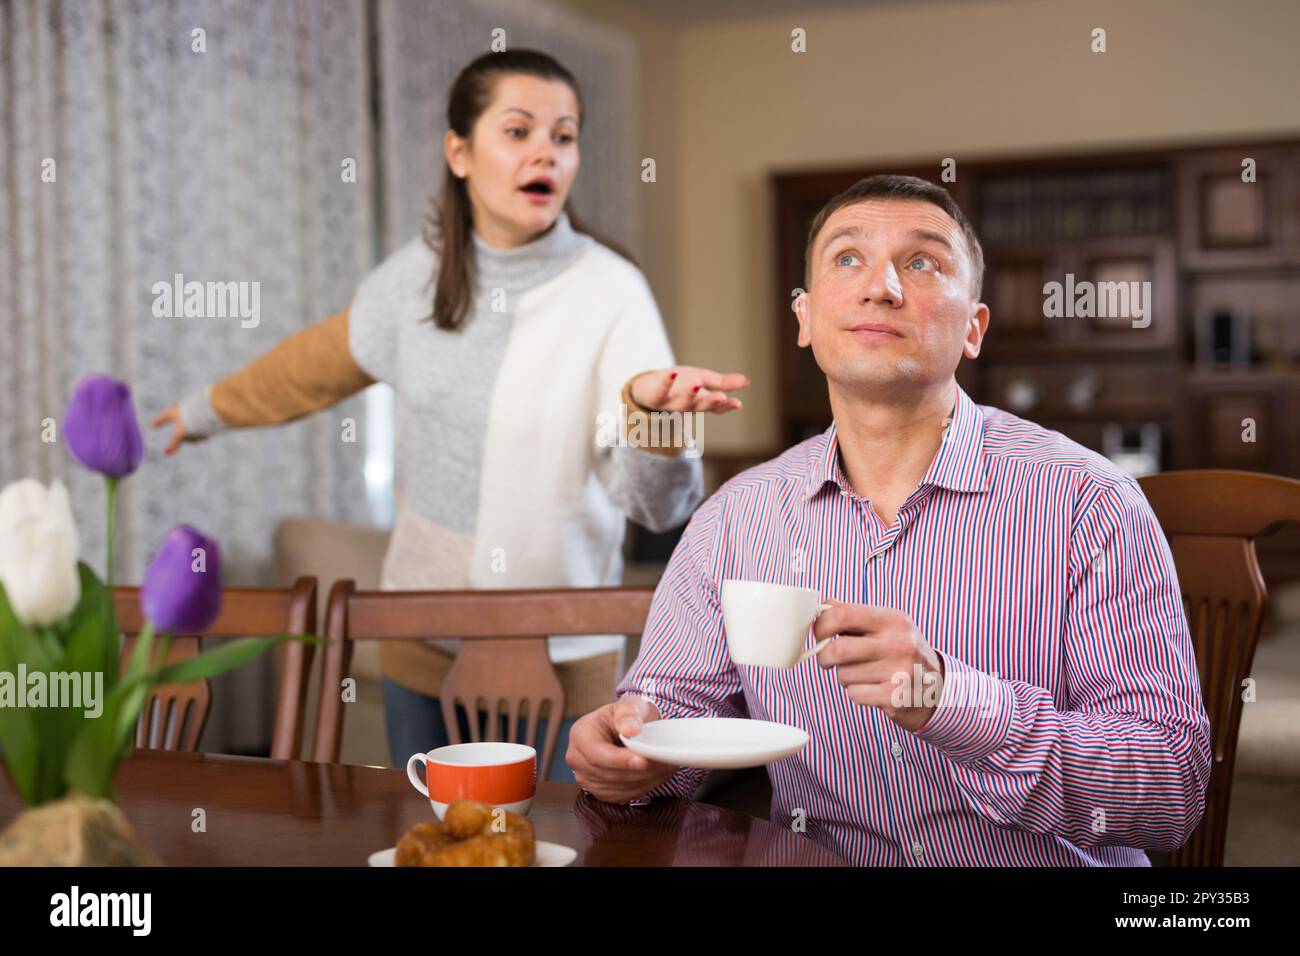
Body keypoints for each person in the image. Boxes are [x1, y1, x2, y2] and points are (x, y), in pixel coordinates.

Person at [567, 174, 1212, 864]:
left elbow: (1169, 789)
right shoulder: (735, 519)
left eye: (922, 262)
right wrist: (627, 751)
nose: (883, 287)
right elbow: (666, 730)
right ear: (805, 318)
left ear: (974, 327)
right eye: (848, 259)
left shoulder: (1091, 501)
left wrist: (948, 699)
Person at [154, 49, 748, 781]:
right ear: (459, 152)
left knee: (562, 848)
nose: (546, 153)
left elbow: (662, 508)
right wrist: (203, 412)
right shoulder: (412, 277)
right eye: (520, 130)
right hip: (420, 643)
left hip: (565, 657)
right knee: (436, 846)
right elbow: (309, 367)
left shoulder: (612, 292)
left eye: (564, 137)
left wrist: (652, 421)